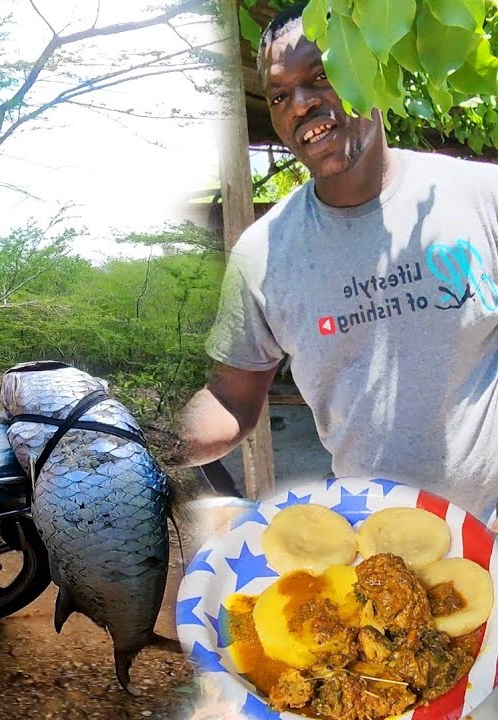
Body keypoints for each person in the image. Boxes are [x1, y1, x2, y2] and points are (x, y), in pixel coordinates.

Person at [171, 4, 498, 522]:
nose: (300, 104)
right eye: (280, 95)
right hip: (367, 539)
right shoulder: (264, 254)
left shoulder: (480, 197)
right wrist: (139, 442)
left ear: (367, 69)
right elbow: (232, 400)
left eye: (320, 76)